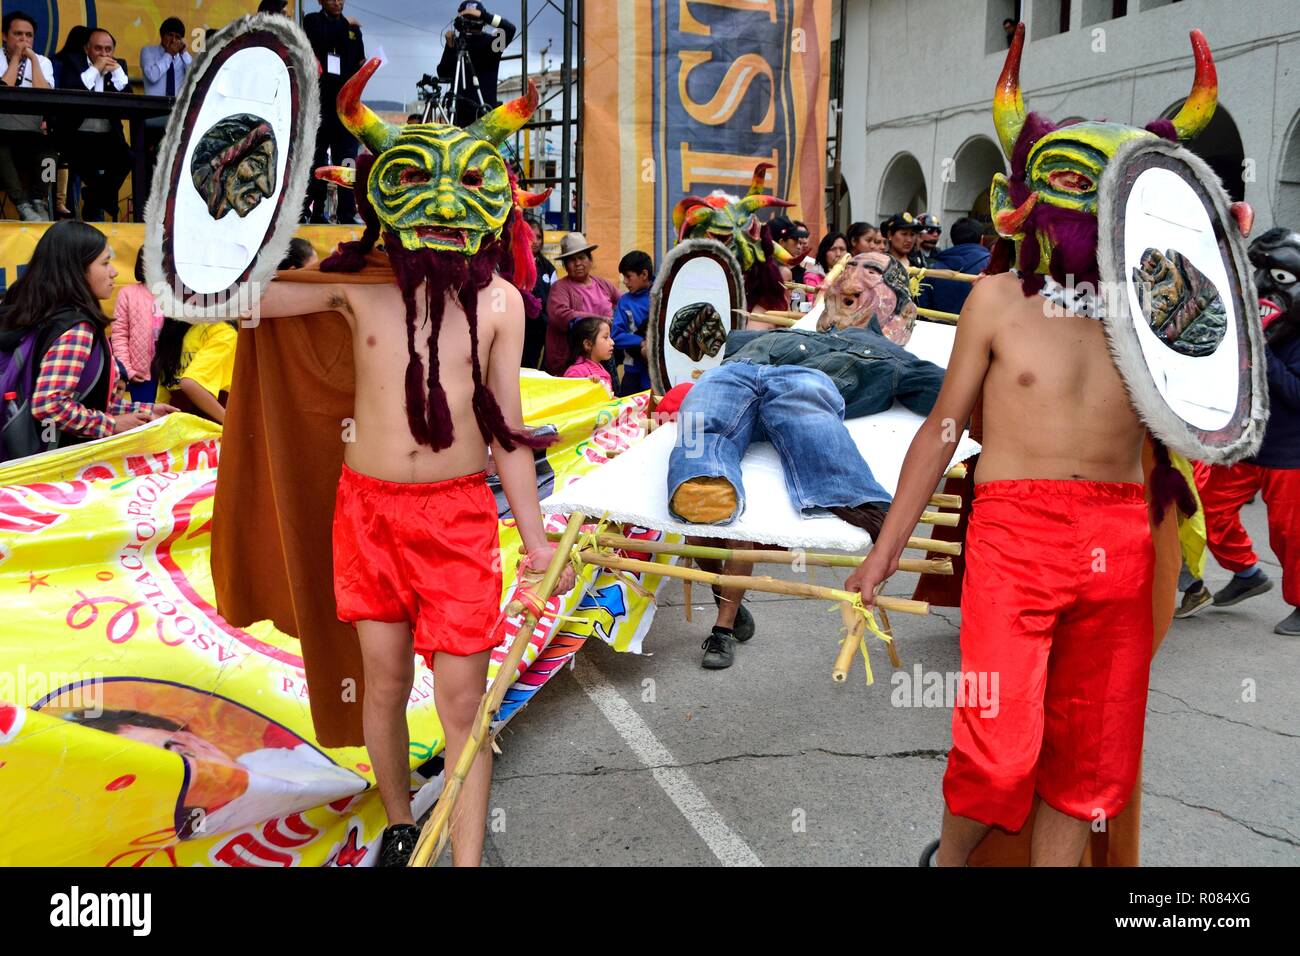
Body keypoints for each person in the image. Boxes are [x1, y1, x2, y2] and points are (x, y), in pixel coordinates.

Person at [848, 21, 1229, 867]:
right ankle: (947, 865)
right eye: (1072, 184)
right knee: (998, 750)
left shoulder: (1157, 316)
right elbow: (944, 430)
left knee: (1087, 767)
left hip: (1123, 536)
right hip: (1015, 536)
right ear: (1030, 198)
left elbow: (1215, 410)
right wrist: (888, 547)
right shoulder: (995, 300)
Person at [250, 63, 575, 866]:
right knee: (384, 685)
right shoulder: (359, 290)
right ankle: (401, 824)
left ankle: (465, 860)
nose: (441, 208)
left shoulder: (502, 300)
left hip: (460, 517)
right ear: (382, 197)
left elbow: (508, 430)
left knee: (463, 701)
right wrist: (234, 217)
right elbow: (238, 298)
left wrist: (534, 542)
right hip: (367, 512)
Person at [1183, 228, 1300, 635]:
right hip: (1248, 446)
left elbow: (1295, 393)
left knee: (1289, 535)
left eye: (1279, 276)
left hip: (1290, 455)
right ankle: (1247, 572)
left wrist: (1262, 351)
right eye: (1261, 272)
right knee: (1209, 508)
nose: (1264, 285)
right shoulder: (1261, 327)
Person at [0, 221, 172, 456]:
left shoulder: (45, 313)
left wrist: (143, 410)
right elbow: (50, 406)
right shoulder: (76, 328)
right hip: (55, 461)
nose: (114, 272)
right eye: (105, 263)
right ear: (77, 270)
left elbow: (90, 400)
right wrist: (112, 425)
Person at [56, 27, 134, 222]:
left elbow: (131, 102)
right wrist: (95, 69)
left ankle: (94, 198)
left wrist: (117, 74)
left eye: (108, 49)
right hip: (77, 135)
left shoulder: (119, 66)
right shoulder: (72, 63)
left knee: (128, 158)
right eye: (98, 49)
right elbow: (71, 91)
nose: (104, 54)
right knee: (82, 162)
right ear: (86, 49)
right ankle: (97, 201)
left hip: (107, 136)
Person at [302, 0, 365, 224]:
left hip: (344, 109)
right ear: (320, 1)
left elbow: (359, 62)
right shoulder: (312, 22)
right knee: (317, 161)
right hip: (319, 106)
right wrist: (345, 24)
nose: (337, 3)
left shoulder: (353, 31)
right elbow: (321, 41)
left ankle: (347, 213)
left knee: (347, 160)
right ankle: (314, 211)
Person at [0, 11, 56, 222]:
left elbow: (45, 97)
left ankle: (39, 200)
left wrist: (32, 60)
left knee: (51, 155)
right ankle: (22, 204)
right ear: (5, 36)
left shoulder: (42, 62)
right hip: (2, 132)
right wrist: (15, 58)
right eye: (18, 34)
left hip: (31, 133)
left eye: (29, 35)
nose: (24, 40)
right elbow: (4, 90)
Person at [546, 233, 619, 376]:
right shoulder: (560, 288)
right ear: (565, 266)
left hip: (603, 360)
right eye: (572, 260)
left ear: (590, 260)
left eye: (582, 257)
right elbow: (560, 315)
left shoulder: (603, 285)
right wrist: (600, 320)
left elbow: (623, 305)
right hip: (572, 363)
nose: (578, 263)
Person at [437, 2, 517, 127]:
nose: (470, 22)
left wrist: (485, 15)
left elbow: (510, 29)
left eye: (474, 19)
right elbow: (443, 73)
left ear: (482, 22)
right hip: (457, 114)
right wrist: (449, 48)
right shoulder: (456, 44)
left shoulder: (492, 44)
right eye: (467, 18)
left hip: (483, 113)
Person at [152, 317, 237, 424]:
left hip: (176, 427)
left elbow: (163, 399)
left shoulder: (171, 332)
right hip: (211, 426)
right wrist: (231, 424)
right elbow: (191, 384)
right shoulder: (221, 331)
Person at [111, 248, 165, 404]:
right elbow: (119, 335)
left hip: (172, 374)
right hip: (141, 376)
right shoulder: (128, 294)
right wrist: (127, 370)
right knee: (144, 420)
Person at [917, 216, 990, 315]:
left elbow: (923, 304)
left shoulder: (934, 268)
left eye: (938, 231)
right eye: (930, 231)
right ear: (982, 239)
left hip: (937, 328)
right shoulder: (991, 266)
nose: (934, 234)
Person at [613, 250, 652, 394]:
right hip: (632, 371)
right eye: (624, 277)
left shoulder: (661, 295)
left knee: (656, 413)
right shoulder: (625, 302)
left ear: (644, 275)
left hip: (656, 372)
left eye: (628, 276)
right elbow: (616, 336)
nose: (625, 281)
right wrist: (641, 342)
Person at [522, 213, 555, 369]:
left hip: (542, 330)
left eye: (539, 237)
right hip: (520, 329)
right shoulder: (511, 263)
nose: (535, 241)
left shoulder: (548, 267)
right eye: (530, 236)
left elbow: (554, 300)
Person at [563, 316, 614, 395]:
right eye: (606, 337)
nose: (612, 342)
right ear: (588, 344)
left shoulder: (601, 367)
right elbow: (569, 401)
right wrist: (586, 385)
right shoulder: (576, 372)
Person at [140, 17, 190, 98]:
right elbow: (152, 76)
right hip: (153, 106)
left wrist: (184, 53)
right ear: (162, 35)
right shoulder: (148, 51)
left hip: (177, 108)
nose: (173, 40)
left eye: (177, 37)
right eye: (170, 35)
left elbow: (194, 76)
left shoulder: (183, 57)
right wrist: (169, 54)